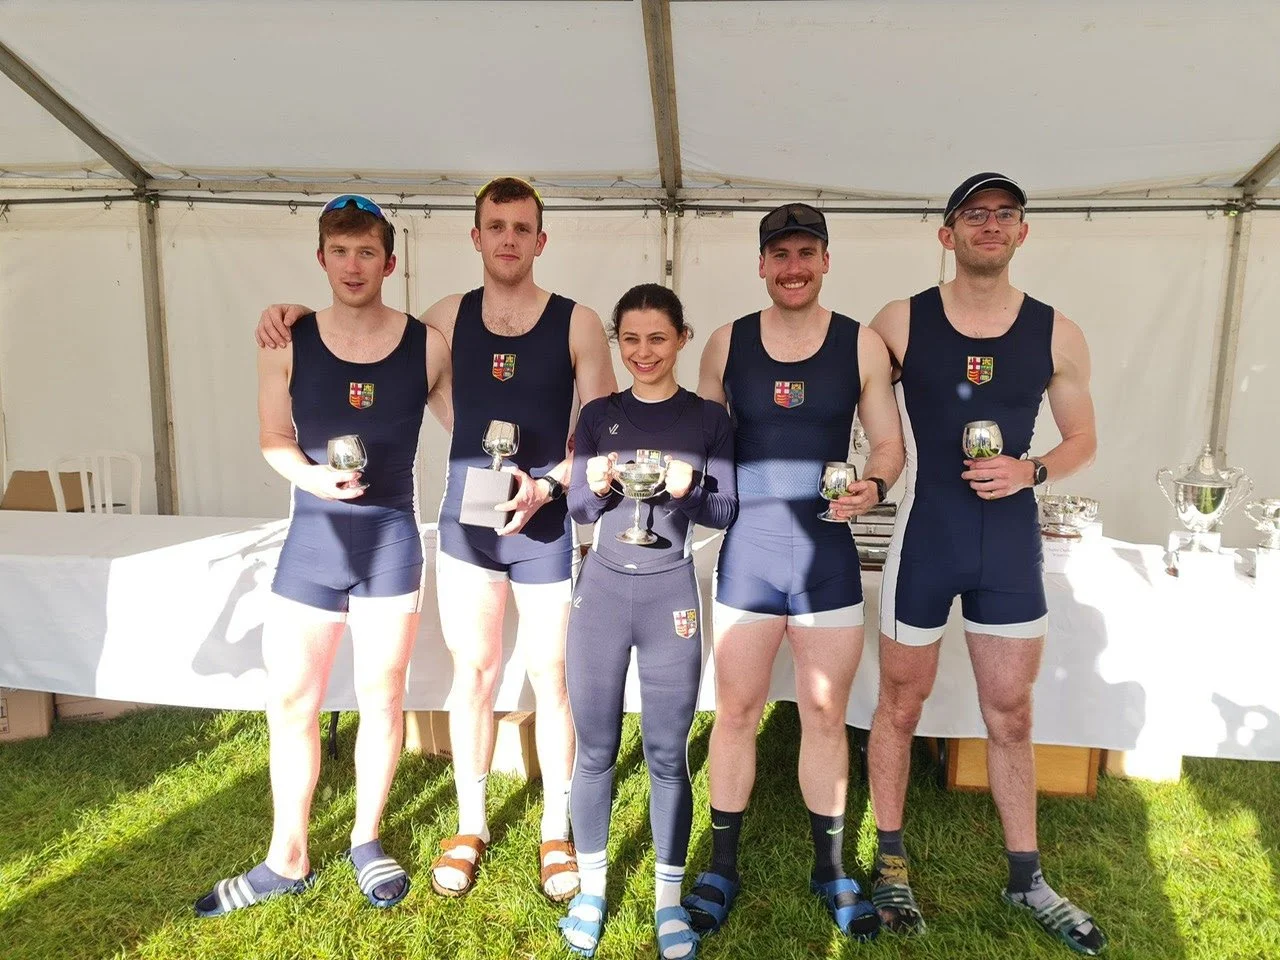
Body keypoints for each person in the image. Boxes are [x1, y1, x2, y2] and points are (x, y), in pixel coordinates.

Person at [255, 177, 616, 902]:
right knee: (474, 675)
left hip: (541, 522)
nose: (508, 238)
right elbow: (369, 343)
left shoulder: (577, 324)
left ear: (541, 241)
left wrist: (547, 484)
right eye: (495, 226)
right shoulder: (444, 320)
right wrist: (292, 314)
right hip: (466, 526)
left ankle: (554, 831)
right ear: (475, 237)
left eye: (522, 227)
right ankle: (471, 825)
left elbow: (602, 433)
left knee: (552, 677)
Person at [866, 173, 1104, 954]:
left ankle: (1027, 874)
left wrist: (1030, 470)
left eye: (1005, 214)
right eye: (975, 214)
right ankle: (891, 861)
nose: (991, 225)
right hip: (926, 535)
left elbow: (1081, 441)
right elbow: (862, 404)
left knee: (1013, 713)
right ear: (947, 234)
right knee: (899, 705)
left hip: (1007, 545)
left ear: (1023, 232)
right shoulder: (900, 322)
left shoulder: (1056, 332)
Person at [197, 195, 450, 917]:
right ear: (321, 259)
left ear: (389, 263)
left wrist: (536, 465)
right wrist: (315, 478)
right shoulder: (285, 339)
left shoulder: (427, 343)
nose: (352, 265)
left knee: (382, 698)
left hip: (389, 545)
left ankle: (366, 841)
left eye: (366, 251)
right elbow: (274, 437)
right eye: (339, 251)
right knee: (291, 701)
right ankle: (288, 855)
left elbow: (468, 427)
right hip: (312, 541)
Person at [683, 204, 904, 942]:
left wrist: (873, 485)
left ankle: (832, 866)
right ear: (761, 264)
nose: (794, 267)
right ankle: (720, 866)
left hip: (826, 557)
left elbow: (887, 446)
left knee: (823, 713)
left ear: (826, 260)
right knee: (737, 711)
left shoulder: (860, 344)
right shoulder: (726, 343)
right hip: (749, 556)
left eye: (807, 252)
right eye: (780, 255)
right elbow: (700, 441)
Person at [558, 283, 736, 959]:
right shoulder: (599, 412)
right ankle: (593, 890)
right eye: (629, 339)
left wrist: (697, 490)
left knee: (667, 754)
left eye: (657, 338)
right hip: (602, 593)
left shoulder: (708, 419)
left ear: (682, 340)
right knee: (595, 749)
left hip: (670, 596)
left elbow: (725, 512)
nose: (643, 352)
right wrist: (596, 482)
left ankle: (667, 899)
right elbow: (577, 508)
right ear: (617, 342)